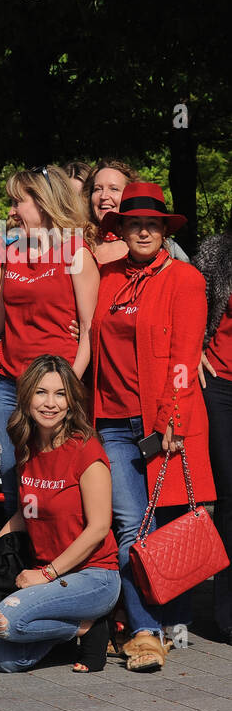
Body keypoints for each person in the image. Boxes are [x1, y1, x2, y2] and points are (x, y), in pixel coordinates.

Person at [90, 182, 214, 672]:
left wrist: (174, 418)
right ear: (120, 229)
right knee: (131, 524)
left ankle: (172, 621)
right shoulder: (106, 276)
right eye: (133, 223)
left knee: (170, 522)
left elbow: (185, 357)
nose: (143, 230)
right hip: (112, 420)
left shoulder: (184, 279)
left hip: (162, 419)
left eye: (152, 224)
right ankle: (144, 631)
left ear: (164, 230)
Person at [0, 355, 120, 673]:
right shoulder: (26, 447)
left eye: (60, 394)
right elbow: (24, 513)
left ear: (72, 401)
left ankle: (91, 624)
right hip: (48, 575)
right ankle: (82, 630)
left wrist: (46, 574)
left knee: (2, 619)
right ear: (27, 397)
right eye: (41, 393)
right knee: (3, 659)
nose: (50, 403)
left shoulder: (86, 450)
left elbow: (100, 527)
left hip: (94, 576)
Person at [0, 166, 98, 513]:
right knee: (13, 477)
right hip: (10, 384)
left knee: (56, 479)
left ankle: (59, 561)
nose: (11, 212)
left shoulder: (76, 252)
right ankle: (16, 559)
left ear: (42, 203)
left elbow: (89, 331)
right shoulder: (13, 253)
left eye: (17, 202)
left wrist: (67, 387)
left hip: (57, 387)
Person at [195, 232, 232, 645]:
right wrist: (194, 349)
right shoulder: (216, 250)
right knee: (229, 498)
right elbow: (194, 310)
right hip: (221, 385)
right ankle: (227, 615)